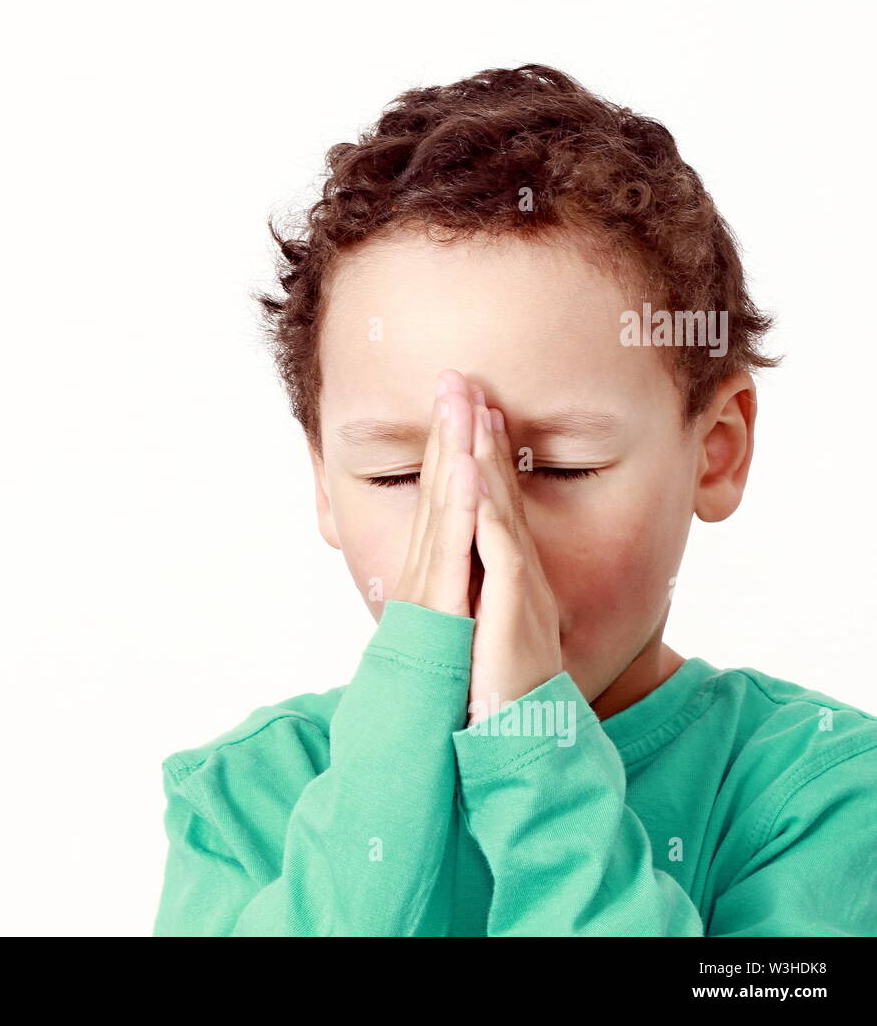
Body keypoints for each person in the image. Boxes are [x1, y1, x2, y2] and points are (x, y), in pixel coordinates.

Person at [152, 64, 877, 936]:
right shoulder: (244, 801)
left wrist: (536, 757)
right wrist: (399, 737)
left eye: (562, 468)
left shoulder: (824, 795)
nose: (482, 547)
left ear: (715, 451)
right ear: (322, 484)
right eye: (399, 477)